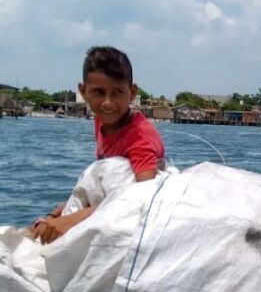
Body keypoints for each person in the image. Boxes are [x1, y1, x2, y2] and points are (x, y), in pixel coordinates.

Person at [30, 46, 165, 245]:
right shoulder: (102, 120)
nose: (107, 103)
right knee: (34, 231)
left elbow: (142, 197)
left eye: (117, 92)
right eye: (98, 92)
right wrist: (61, 212)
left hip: (126, 212)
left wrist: (75, 218)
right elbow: (101, 182)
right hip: (107, 203)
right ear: (83, 92)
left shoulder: (139, 138)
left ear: (132, 92)